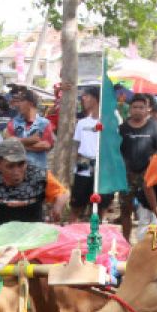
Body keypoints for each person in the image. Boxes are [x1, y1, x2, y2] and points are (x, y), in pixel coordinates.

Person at [118, 93, 157, 240]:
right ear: (130, 109)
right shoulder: (122, 128)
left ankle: (148, 243)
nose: (138, 110)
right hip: (126, 175)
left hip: (147, 176)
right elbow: (116, 150)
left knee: (149, 209)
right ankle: (125, 241)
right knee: (125, 210)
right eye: (135, 107)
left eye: (141, 107)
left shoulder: (155, 127)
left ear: (147, 109)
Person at [69, 86, 114, 223]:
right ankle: (73, 234)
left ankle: (98, 236)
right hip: (83, 166)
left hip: (103, 168)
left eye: (86, 95)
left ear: (95, 98)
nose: (83, 99)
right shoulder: (82, 123)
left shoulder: (111, 120)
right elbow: (76, 146)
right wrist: (73, 168)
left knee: (102, 205)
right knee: (77, 204)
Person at [6, 87, 55, 170]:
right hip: (17, 172)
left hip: (38, 171)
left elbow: (46, 145)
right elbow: (8, 143)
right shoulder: (13, 123)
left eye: (21, 101)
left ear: (30, 104)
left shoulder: (44, 123)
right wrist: (30, 140)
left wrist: (18, 144)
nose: (18, 104)